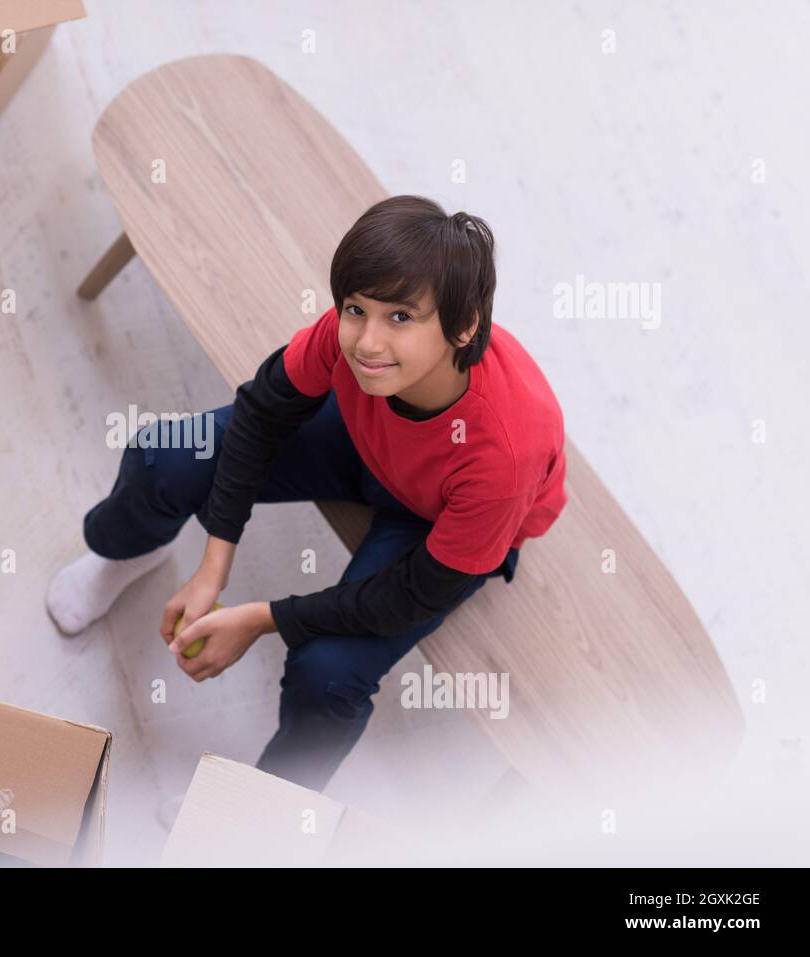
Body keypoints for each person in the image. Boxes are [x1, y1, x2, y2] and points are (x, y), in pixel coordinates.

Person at [47, 194, 567, 801]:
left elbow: (412, 596)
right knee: (165, 452)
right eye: (356, 310)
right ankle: (129, 551)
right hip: (367, 442)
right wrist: (215, 565)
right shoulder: (358, 341)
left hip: (437, 523)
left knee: (327, 675)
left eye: (402, 317)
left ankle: (266, 812)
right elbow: (262, 411)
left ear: (463, 326)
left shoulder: (501, 457)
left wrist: (260, 619)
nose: (367, 341)